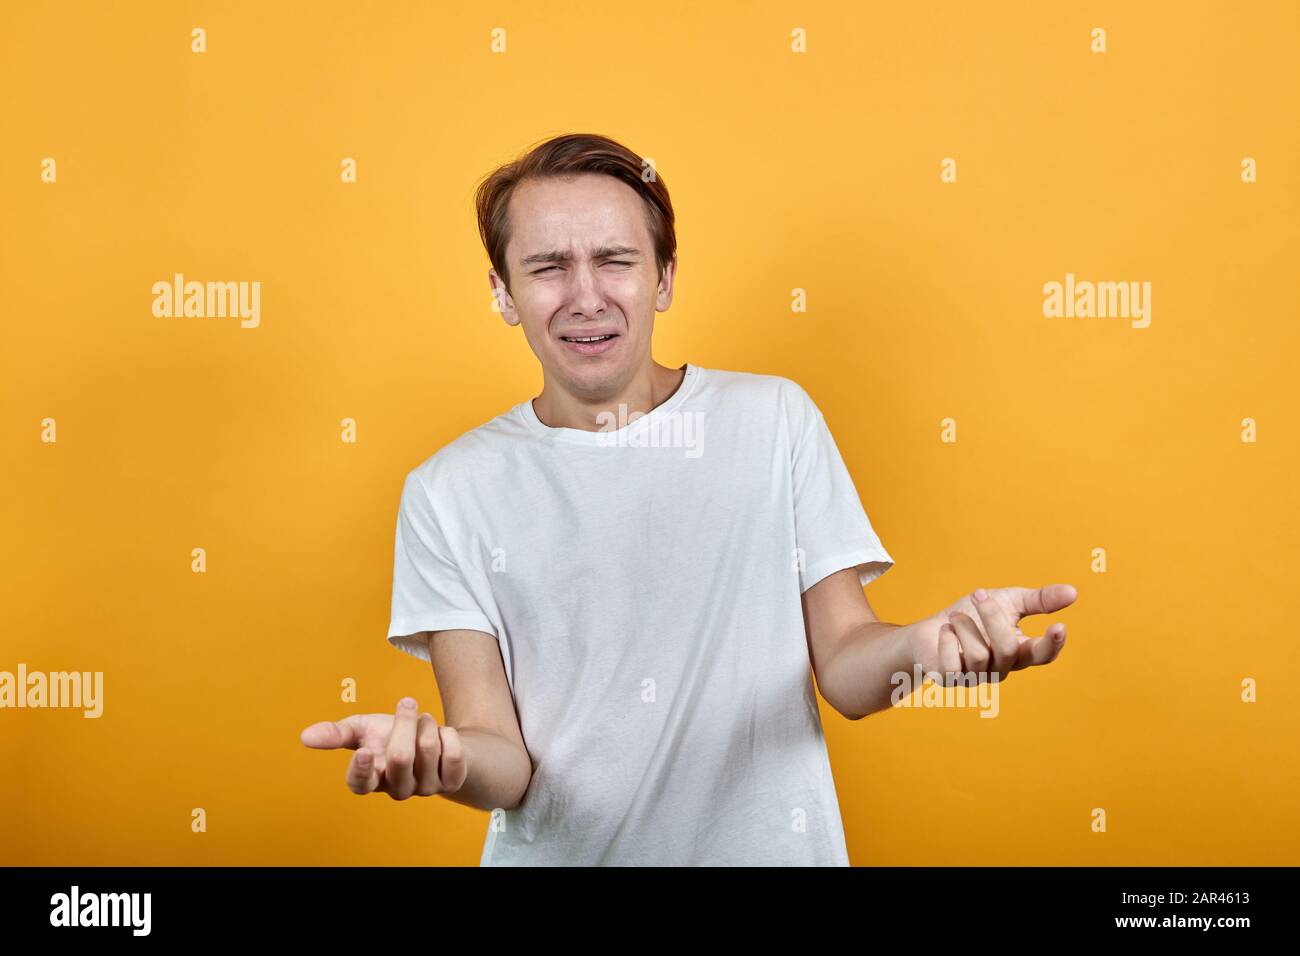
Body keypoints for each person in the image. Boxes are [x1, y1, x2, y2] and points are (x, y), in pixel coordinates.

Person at [300, 132, 1078, 865]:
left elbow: (844, 666)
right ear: (503, 292)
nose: (586, 296)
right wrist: (449, 760)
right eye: (546, 268)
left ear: (664, 277)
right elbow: (503, 760)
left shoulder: (773, 420)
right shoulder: (448, 491)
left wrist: (926, 649)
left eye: (615, 260)